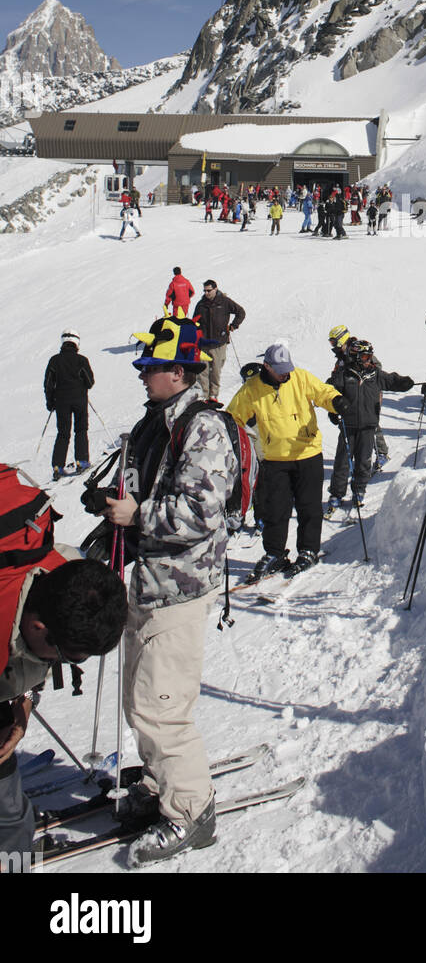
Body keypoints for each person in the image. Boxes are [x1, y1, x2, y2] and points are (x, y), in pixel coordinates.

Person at [99, 314, 237, 866]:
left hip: (180, 586)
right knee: (140, 698)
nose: (142, 376)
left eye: (150, 368)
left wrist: (137, 515)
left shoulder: (204, 427)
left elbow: (201, 511)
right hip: (150, 580)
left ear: (178, 372)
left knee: (162, 707)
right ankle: (161, 783)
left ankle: (191, 812)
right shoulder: (156, 422)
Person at [0, 486, 127, 863]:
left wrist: (21, 704)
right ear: (39, 627)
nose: (69, 664)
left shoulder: (64, 569)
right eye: (67, 656)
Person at [226, 343, 343, 582]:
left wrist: (337, 402)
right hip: (274, 459)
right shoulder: (252, 389)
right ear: (266, 366)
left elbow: (323, 393)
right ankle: (275, 553)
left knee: (309, 507)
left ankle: (308, 550)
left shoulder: (300, 378)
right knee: (275, 509)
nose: (285, 373)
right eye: (279, 369)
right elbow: (233, 416)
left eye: (287, 368)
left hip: (308, 453)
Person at [325, 339, 413, 516]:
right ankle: (337, 493)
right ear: (356, 357)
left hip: (368, 425)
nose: (368, 360)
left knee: (364, 460)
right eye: (365, 356)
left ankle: (359, 489)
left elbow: (391, 380)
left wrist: (404, 383)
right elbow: (329, 391)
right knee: (342, 461)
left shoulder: (375, 374)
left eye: (369, 356)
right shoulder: (344, 374)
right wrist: (332, 410)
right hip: (348, 425)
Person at [328, 325, 389, 470]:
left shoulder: (359, 348)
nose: (332, 346)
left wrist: (369, 377)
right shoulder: (342, 358)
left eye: (333, 341)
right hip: (351, 393)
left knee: (370, 421)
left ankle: (382, 452)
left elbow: (377, 366)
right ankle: (358, 454)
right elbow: (336, 375)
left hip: (369, 391)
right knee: (353, 421)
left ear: (341, 339)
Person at [44, 331, 95, 480]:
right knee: (81, 429)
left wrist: (50, 401)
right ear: (76, 343)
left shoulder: (54, 360)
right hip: (79, 399)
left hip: (61, 402)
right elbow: (90, 382)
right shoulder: (81, 360)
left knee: (63, 433)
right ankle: (82, 461)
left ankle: (58, 467)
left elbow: (48, 384)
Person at [192, 280, 246, 403]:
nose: (206, 293)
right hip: (203, 344)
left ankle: (213, 395)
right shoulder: (201, 305)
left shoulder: (225, 302)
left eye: (208, 290)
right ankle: (204, 397)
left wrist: (234, 325)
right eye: (204, 291)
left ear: (215, 289)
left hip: (219, 343)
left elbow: (241, 312)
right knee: (202, 372)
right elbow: (194, 321)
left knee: (215, 371)